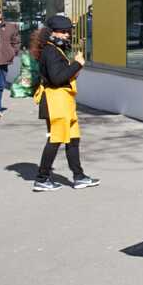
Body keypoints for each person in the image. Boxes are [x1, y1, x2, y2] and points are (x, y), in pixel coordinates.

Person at [30, 15, 98, 192]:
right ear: (52, 33)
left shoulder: (54, 50)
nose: (67, 35)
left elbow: (63, 75)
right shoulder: (50, 51)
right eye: (63, 32)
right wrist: (77, 64)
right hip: (55, 101)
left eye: (68, 32)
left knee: (73, 139)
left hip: (64, 101)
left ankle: (79, 176)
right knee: (56, 139)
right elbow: (57, 77)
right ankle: (42, 178)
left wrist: (76, 68)